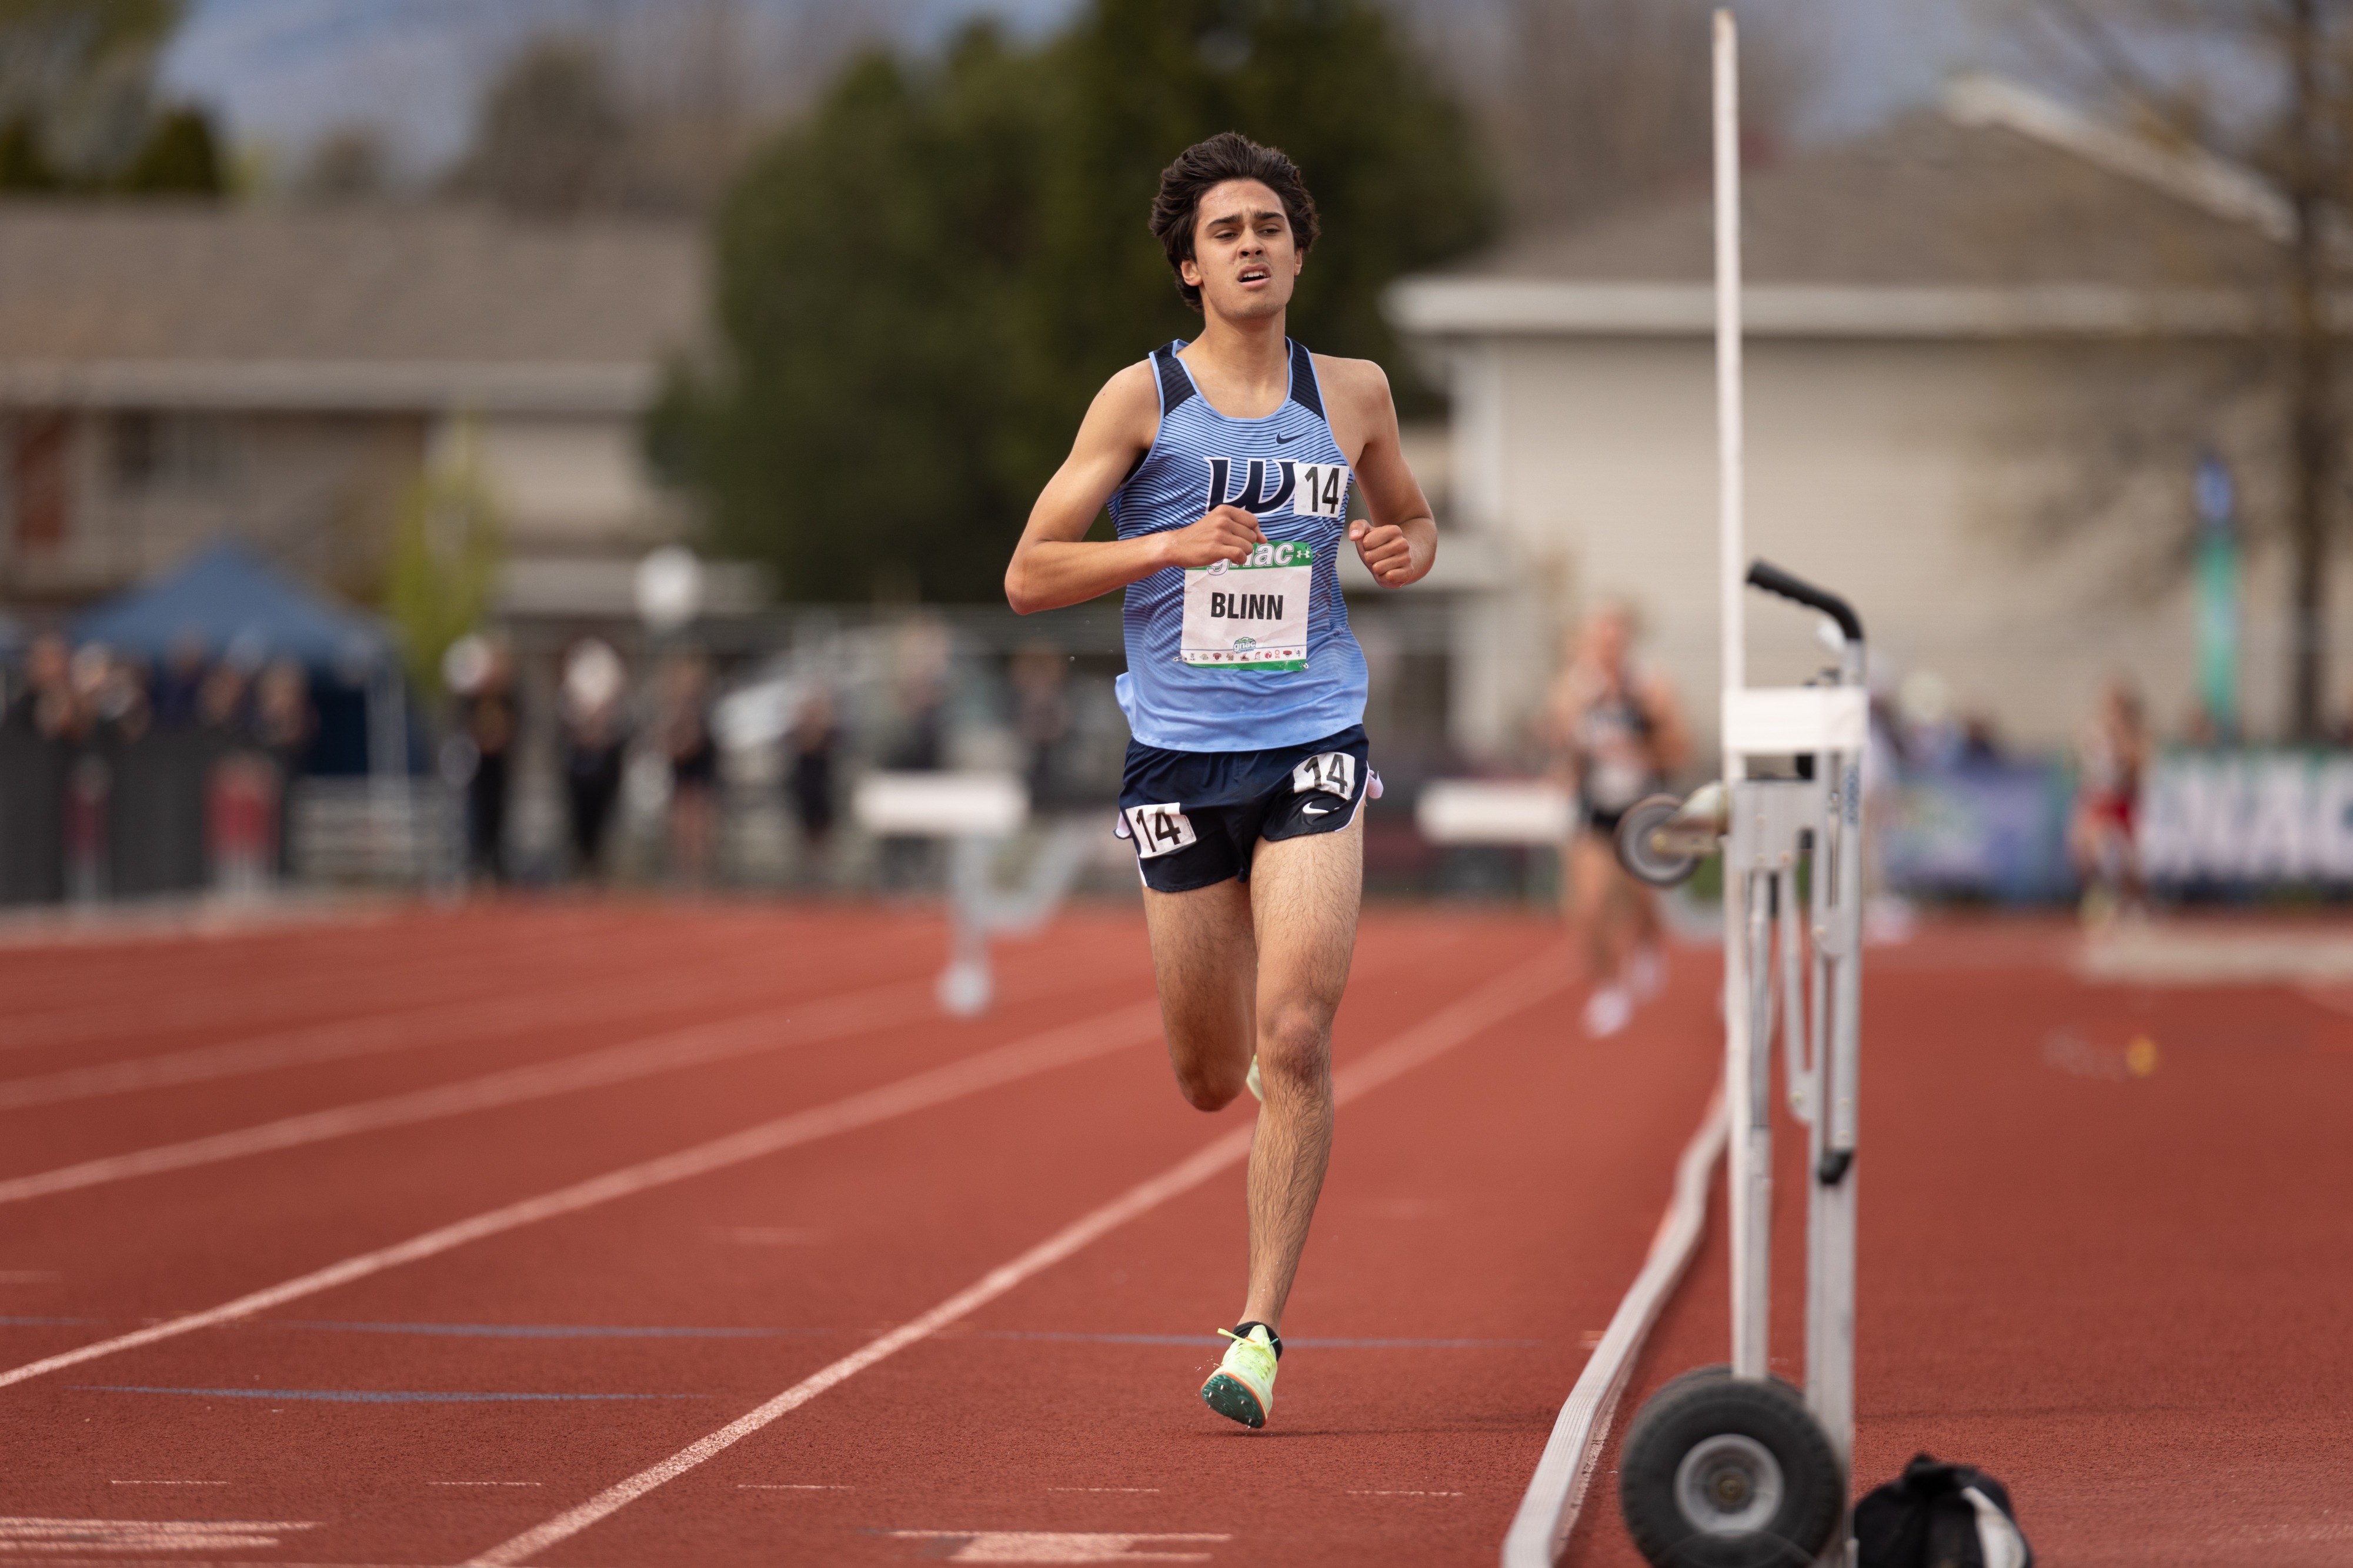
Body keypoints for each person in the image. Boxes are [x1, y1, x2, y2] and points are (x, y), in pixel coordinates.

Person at [1003, 132, 1436, 1429]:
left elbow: (1411, 518)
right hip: (1179, 755)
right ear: (1188, 267)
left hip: (1313, 731)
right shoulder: (1138, 402)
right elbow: (1030, 574)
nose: (1249, 245)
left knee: (1293, 1033)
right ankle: (1249, 1078)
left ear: (1297, 250)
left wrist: (1400, 544)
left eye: (1268, 226)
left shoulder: (1351, 391)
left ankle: (1254, 1332)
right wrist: (1171, 544)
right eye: (1223, 232)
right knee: (1208, 1074)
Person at [1541, 605, 1688, 1038]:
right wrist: (1567, 749)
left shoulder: (1649, 684)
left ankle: (1646, 941)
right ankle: (1608, 987)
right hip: (1595, 808)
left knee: (1642, 898)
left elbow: (1678, 747)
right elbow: (1556, 738)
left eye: (1613, 640)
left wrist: (1643, 740)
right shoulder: (1574, 686)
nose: (1606, 648)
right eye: (1598, 639)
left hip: (1640, 807)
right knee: (1588, 904)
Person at [2070, 677, 2148, 925]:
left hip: (2122, 799)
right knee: (2085, 848)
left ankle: (2133, 903)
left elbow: (2138, 766)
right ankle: (2098, 897)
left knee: (2128, 861)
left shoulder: (2133, 732)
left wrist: (2122, 743)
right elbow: (2077, 759)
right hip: (2097, 798)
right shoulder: (2093, 729)